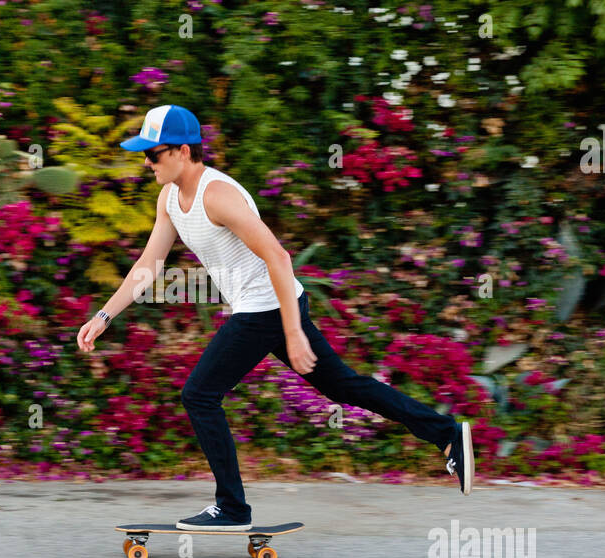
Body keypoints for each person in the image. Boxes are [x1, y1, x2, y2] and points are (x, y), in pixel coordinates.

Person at [75, 105, 474, 531]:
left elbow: (278, 258)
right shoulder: (170, 198)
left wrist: (292, 330)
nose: (147, 162)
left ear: (183, 151)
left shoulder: (218, 196)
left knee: (199, 395)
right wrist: (104, 314)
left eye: (152, 154)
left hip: (265, 308)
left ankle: (231, 509)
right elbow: (149, 265)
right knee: (344, 386)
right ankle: (446, 433)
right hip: (271, 308)